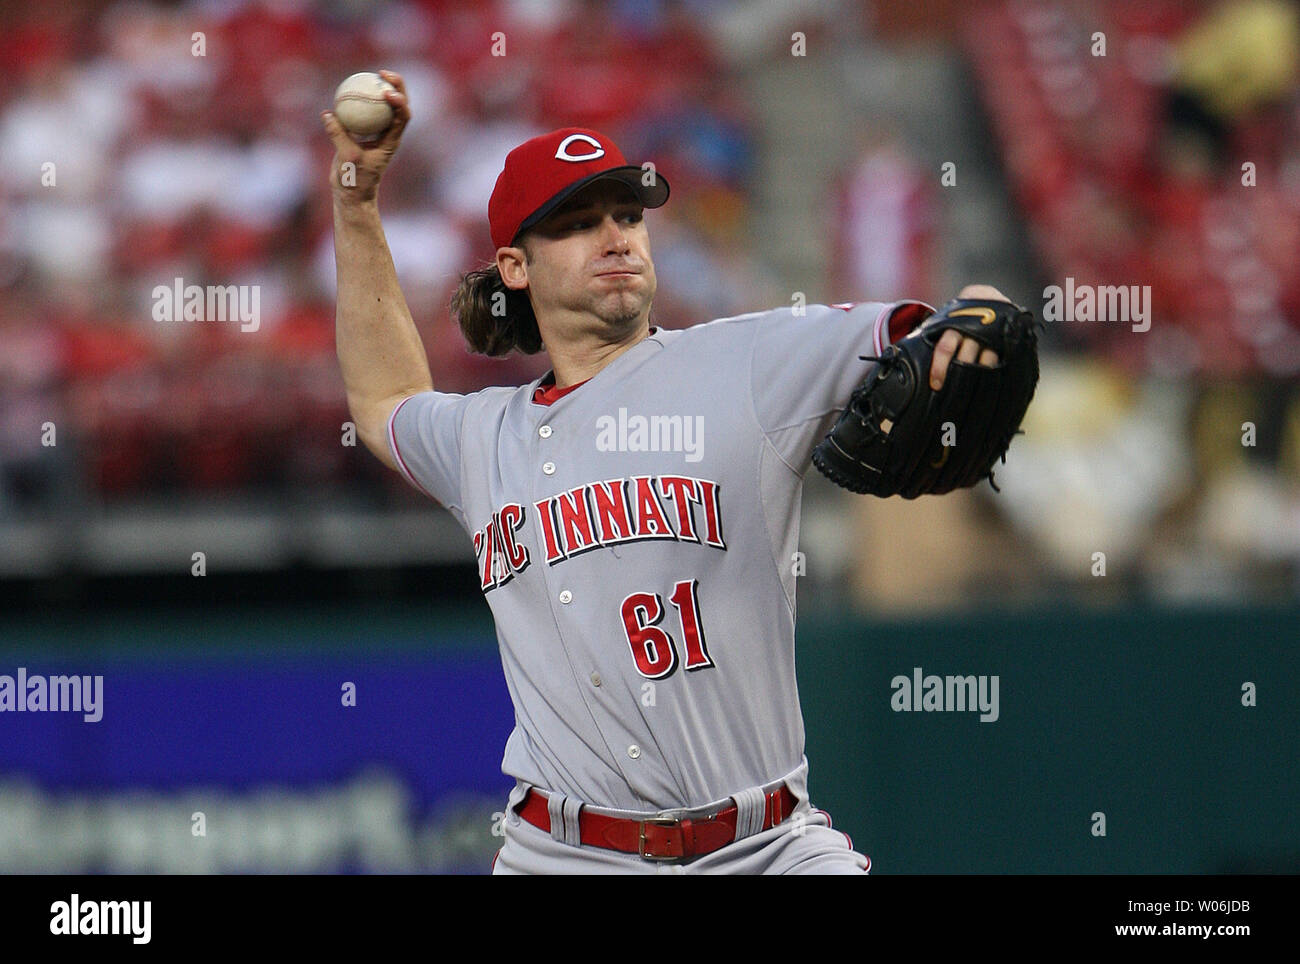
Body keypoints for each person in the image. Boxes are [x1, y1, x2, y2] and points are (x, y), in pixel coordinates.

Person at [322, 70, 1005, 874]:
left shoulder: (747, 361)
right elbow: (385, 399)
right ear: (515, 267)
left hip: (766, 846)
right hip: (564, 856)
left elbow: (932, 331)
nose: (615, 237)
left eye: (627, 215)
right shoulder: (482, 437)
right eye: (578, 224)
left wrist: (984, 308)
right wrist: (356, 204)